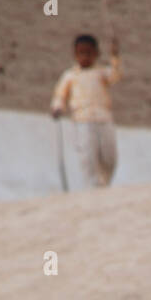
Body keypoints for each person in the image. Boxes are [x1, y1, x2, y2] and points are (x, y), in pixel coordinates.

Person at [50, 34, 122, 188]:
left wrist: (115, 57)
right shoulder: (70, 76)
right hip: (83, 121)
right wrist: (57, 107)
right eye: (81, 53)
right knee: (88, 157)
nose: (85, 56)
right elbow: (60, 95)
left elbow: (115, 76)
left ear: (96, 53)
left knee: (110, 158)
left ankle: (104, 185)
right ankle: (92, 190)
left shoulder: (101, 73)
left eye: (89, 52)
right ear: (75, 54)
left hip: (104, 119)